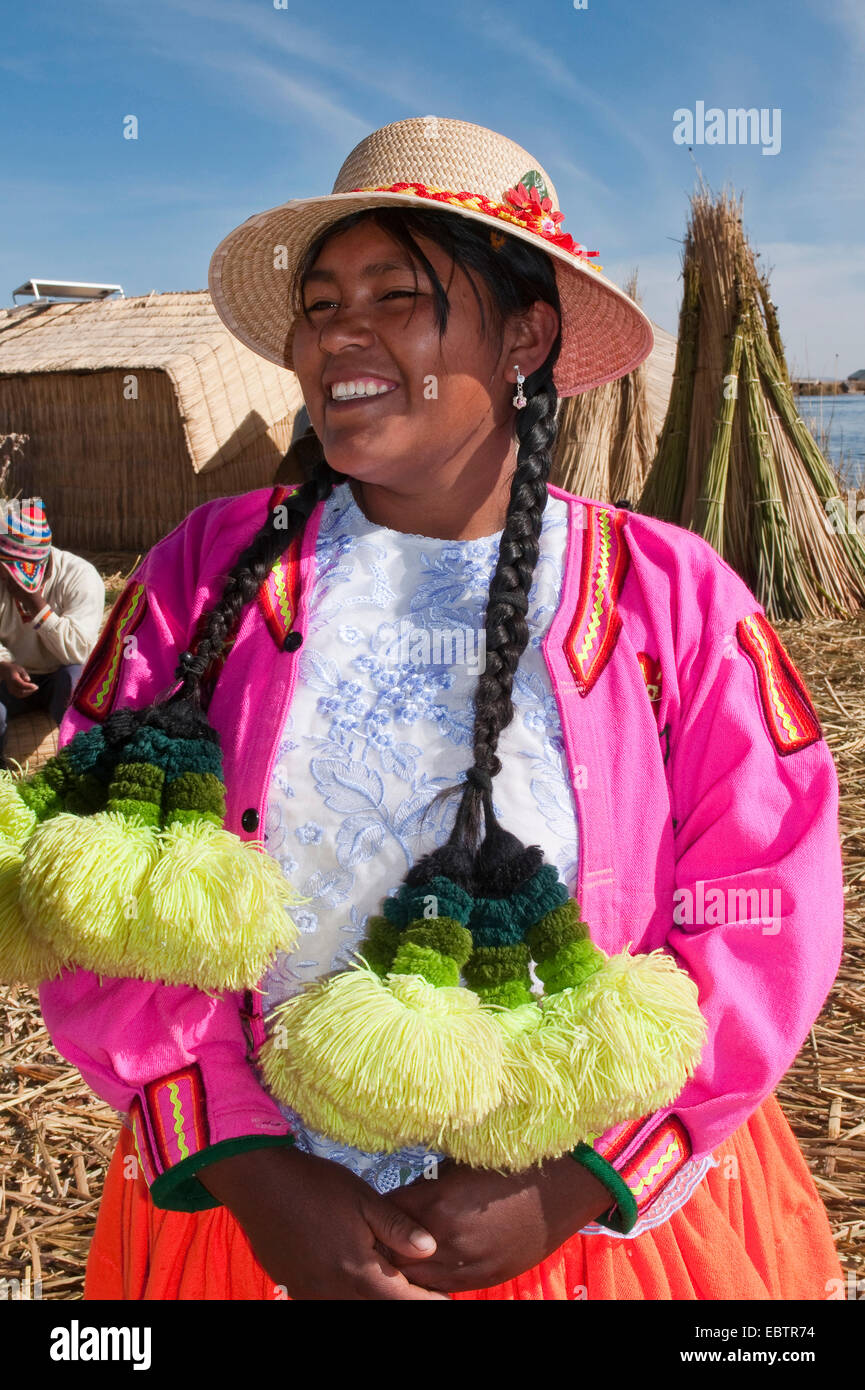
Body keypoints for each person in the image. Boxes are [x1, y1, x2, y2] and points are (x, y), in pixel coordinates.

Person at [34, 116, 844, 1301]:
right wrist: (255, 1166)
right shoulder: (202, 582)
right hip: (257, 1228)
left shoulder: (669, 601)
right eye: (319, 303)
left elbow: (764, 893)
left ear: (524, 335)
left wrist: (567, 1179)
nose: (338, 333)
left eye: (396, 293)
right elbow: (92, 881)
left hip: (591, 1236)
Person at [0, 498, 104, 764]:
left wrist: (36, 604)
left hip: (62, 673)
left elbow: (79, 649)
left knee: (76, 679)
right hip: (9, 678)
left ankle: (80, 768)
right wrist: (3, 666)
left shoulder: (80, 576)